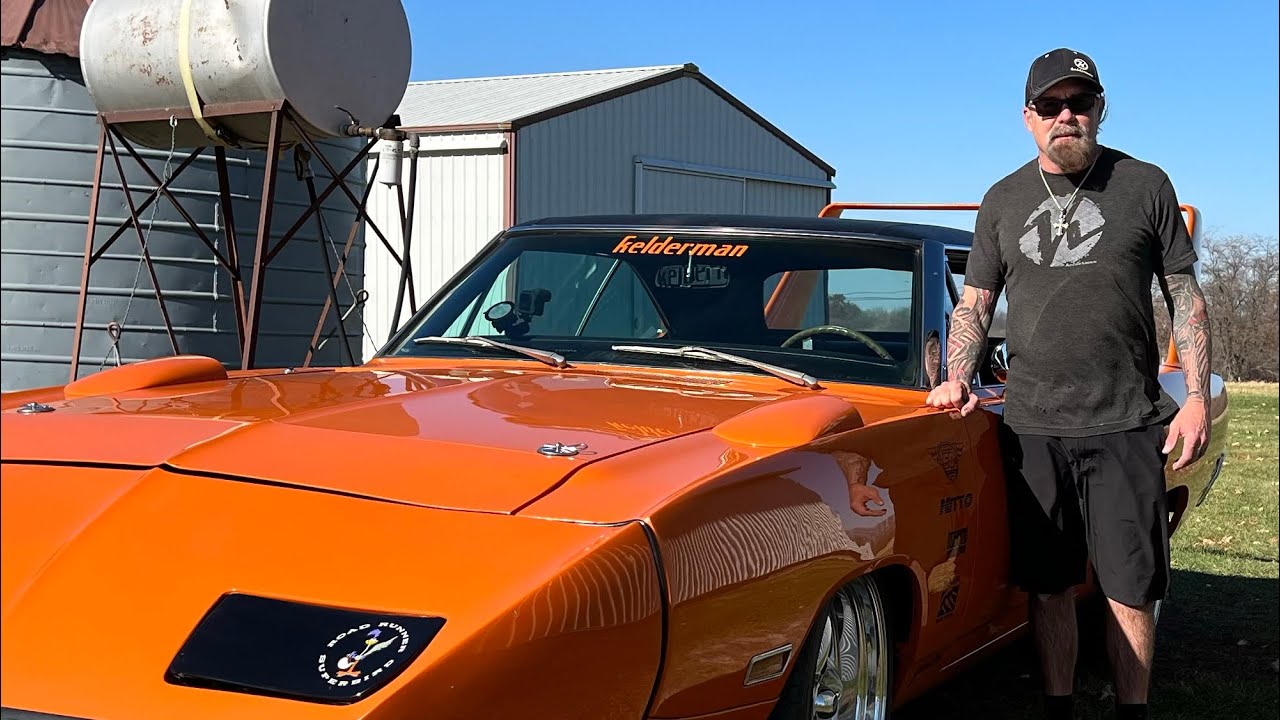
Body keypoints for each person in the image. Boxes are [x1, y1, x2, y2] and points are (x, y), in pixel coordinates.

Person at [926, 48, 1213, 720]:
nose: (1067, 116)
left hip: (1126, 421)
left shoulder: (1145, 185)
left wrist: (1197, 397)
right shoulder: (1002, 200)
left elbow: (1185, 295)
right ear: (1028, 117)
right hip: (1033, 427)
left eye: (1079, 103)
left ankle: (1132, 711)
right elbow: (975, 304)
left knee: (1129, 589)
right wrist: (958, 377)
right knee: (1049, 586)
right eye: (1051, 105)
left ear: (1099, 110)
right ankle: (1057, 708)